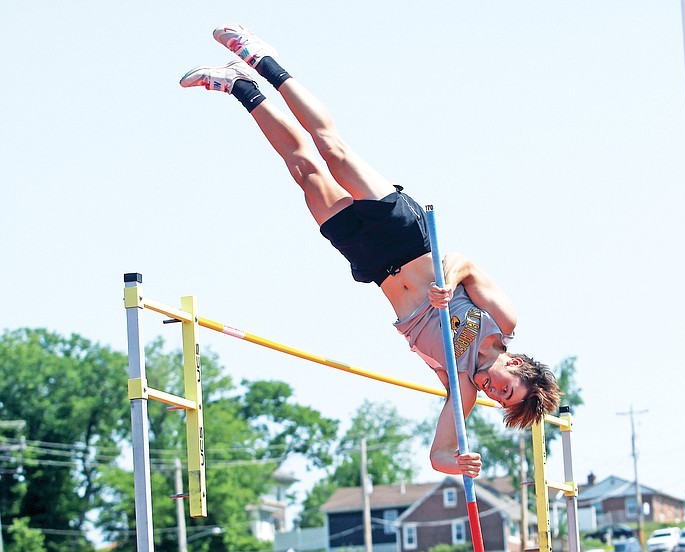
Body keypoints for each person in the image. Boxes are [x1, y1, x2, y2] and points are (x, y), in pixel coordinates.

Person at [180, 24, 561, 478]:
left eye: (500, 400)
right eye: (507, 390)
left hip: (372, 262)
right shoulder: (503, 322)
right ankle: (260, 57)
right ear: (517, 366)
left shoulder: (459, 388)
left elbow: (438, 455)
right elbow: (467, 265)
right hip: (407, 237)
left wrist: (456, 463)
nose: (496, 393)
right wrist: (447, 283)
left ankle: (239, 86)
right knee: (334, 152)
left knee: (304, 171)